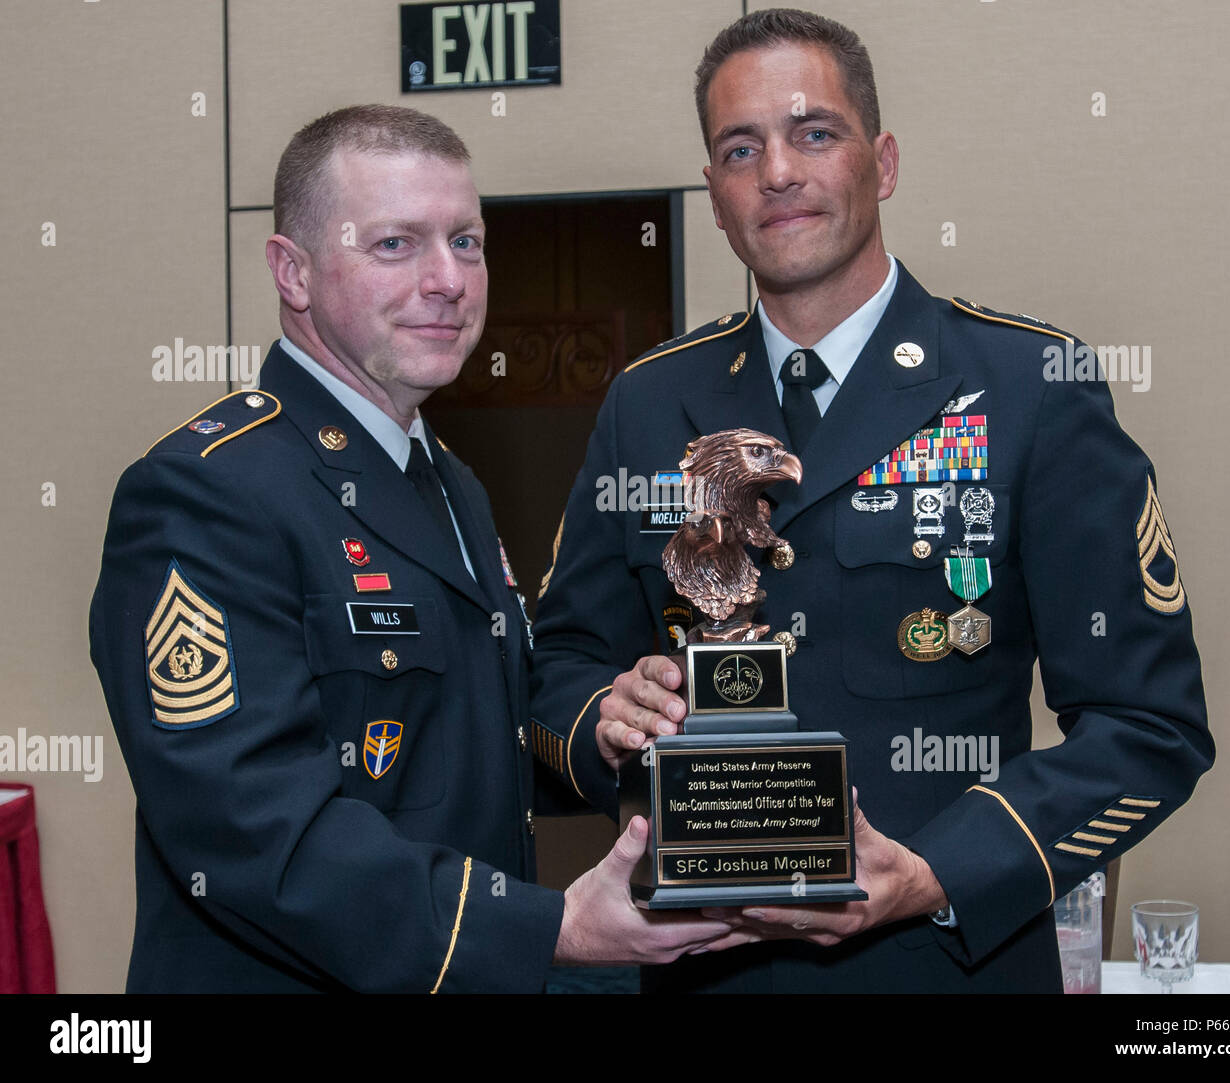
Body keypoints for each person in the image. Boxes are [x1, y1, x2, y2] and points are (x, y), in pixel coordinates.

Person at [529, 10, 1214, 992]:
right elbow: (556, 666)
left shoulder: (1028, 387)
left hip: (945, 965)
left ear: (881, 163)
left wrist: (940, 873)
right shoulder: (647, 403)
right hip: (703, 973)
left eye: (814, 132)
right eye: (739, 148)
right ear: (716, 198)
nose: (777, 171)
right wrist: (604, 716)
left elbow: (1150, 726)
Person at [88, 105, 744, 993]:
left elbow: (468, 745)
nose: (448, 280)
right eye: (395, 244)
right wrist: (551, 927)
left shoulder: (450, 484)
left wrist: (605, 732)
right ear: (294, 272)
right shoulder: (208, 492)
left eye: (466, 242)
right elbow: (258, 832)